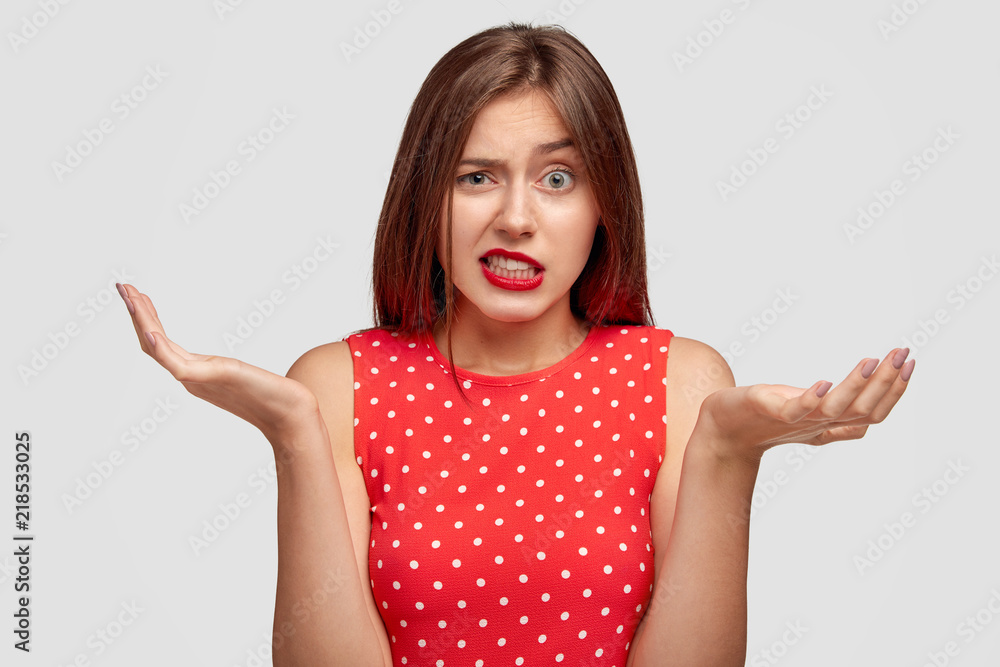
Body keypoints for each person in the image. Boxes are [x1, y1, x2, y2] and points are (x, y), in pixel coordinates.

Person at [116, 22, 915, 667]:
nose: (517, 218)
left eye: (558, 179)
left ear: (607, 203)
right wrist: (293, 432)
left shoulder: (681, 380)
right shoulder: (337, 384)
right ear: (424, 198)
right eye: (476, 176)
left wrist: (728, 454)